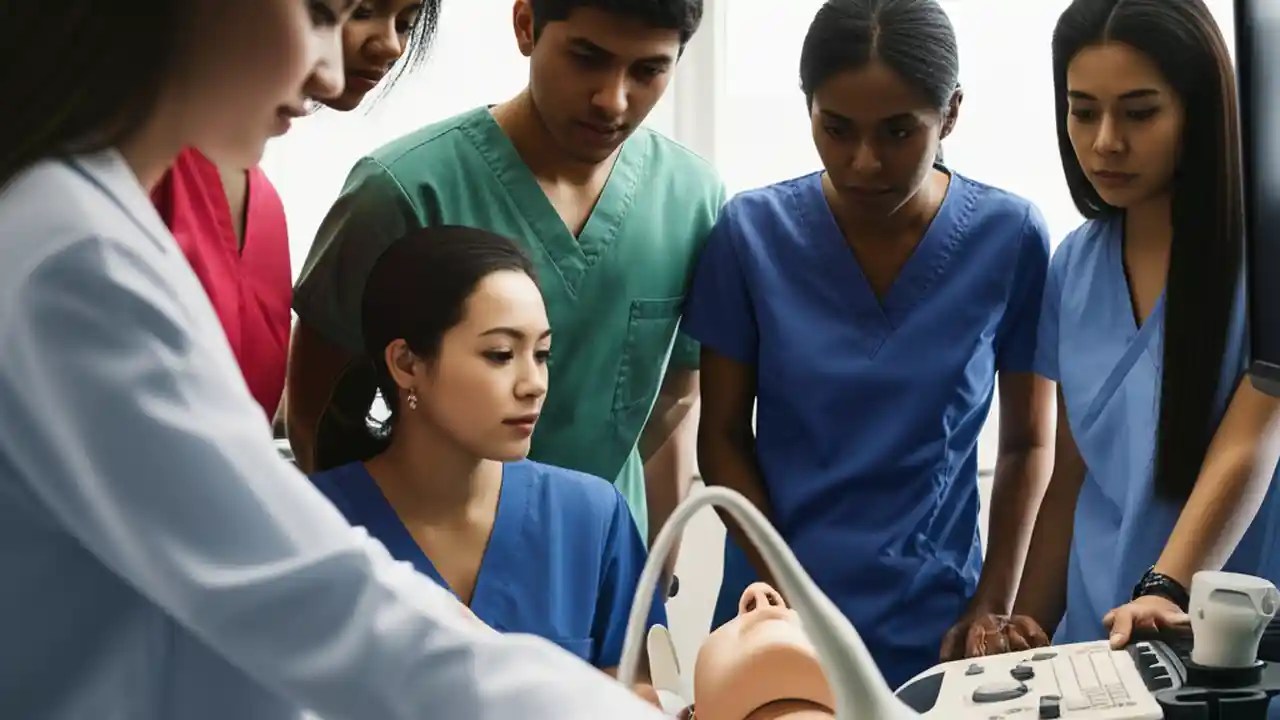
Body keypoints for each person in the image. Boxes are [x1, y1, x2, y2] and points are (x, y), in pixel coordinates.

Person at [0, 2, 667, 718]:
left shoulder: (99, 225)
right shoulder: (78, 260)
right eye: (321, 14)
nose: (328, 68)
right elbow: (307, 601)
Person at [681, 0, 1054, 689]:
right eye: (837, 127)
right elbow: (723, 435)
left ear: (952, 114)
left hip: (938, 620)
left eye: (898, 132)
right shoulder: (751, 234)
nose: (864, 161)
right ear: (809, 109)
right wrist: (786, 600)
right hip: (771, 612)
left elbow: (1029, 443)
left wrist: (993, 603)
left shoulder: (1010, 237)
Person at [286, 0, 723, 548]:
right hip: (427, 563)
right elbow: (313, 412)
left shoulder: (692, 200)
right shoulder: (402, 192)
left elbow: (673, 406)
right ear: (525, 25)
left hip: (600, 571)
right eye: (587, 58)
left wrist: (651, 580)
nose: (612, 100)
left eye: (648, 70)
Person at [965, 0, 1280, 672]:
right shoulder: (1073, 266)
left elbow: (1254, 437)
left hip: (1218, 645)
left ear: (1198, 110)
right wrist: (1026, 624)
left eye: (1139, 113)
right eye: (1083, 110)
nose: (1105, 140)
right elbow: (1073, 476)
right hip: (1097, 640)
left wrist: (1165, 587)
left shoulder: (1265, 254)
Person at [309, 225, 666, 673]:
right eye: (500, 354)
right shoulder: (309, 526)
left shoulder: (593, 518)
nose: (533, 384)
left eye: (542, 354)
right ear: (406, 363)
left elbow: (640, 694)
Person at [151, 0, 440, 425]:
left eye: (406, 24)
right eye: (355, 11)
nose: (392, 47)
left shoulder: (262, 205)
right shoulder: (139, 178)